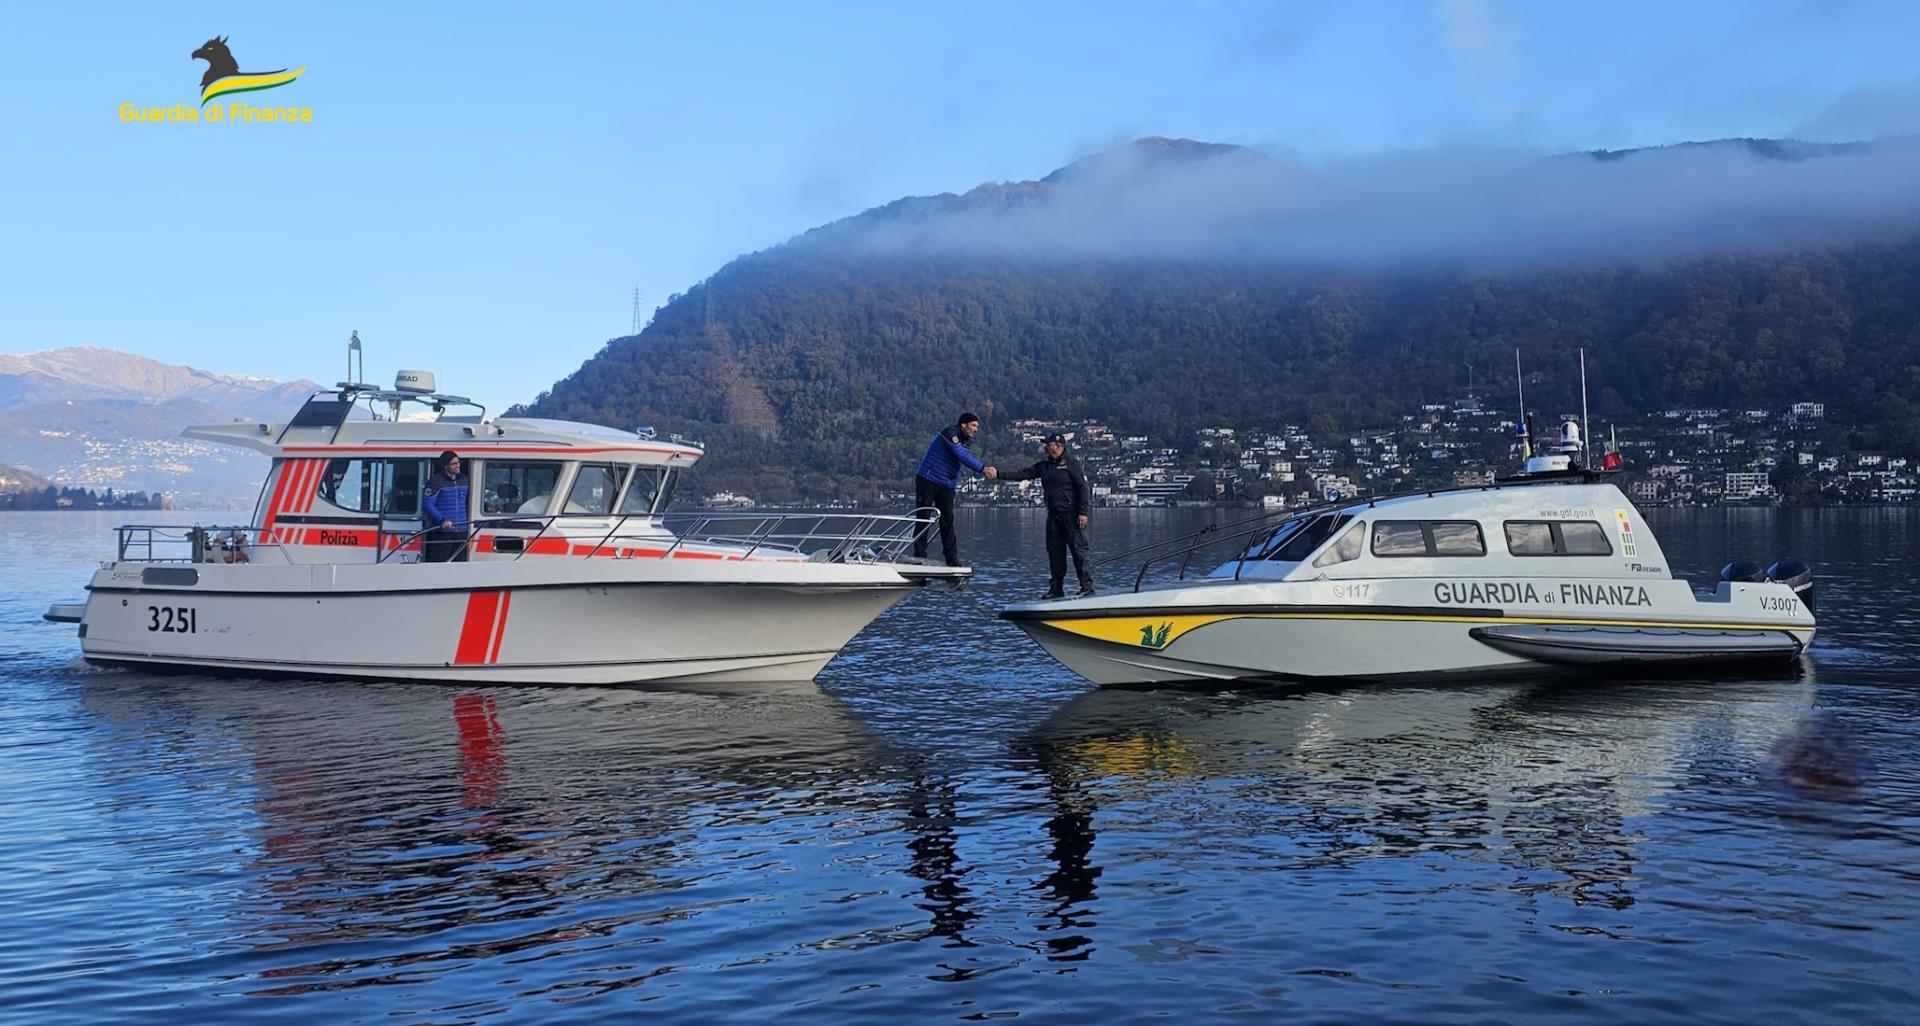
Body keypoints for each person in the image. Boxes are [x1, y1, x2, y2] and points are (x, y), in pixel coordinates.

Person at [996, 433, 1094, 598]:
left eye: (1048, 444)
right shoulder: (1043, 466)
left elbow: (1083, 488)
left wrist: (1083, 512)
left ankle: (1087, 587)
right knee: (1055, 554)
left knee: (1079, 552)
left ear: (1057, 446)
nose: (1045, 447)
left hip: (1072, 516)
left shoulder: (1072, 464)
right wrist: (998, 474)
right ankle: (1056, 588)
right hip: (1053, 517)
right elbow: (1022, 474)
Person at [912, 412, 996, 566]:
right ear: (963, 424)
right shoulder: (950, 433)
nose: (976, 429)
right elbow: (960, 455)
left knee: (947, 520)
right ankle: (919, 557)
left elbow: (961, 457)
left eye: (977, 426)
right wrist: (982, 468)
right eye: (973, 425)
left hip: (946, 484)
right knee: (923, 517)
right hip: (928, 479)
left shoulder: (966, 440)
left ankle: (952, 559)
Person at [421, 451, 472, 562]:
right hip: (443, 532)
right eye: (454, 463)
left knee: (459, 565)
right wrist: (442, 520)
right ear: (445, 466)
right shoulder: (435, 482)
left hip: (462, 531)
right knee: (439, 563)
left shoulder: (464, 480)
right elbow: (427, 504)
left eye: (458, 462)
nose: (458, 465)